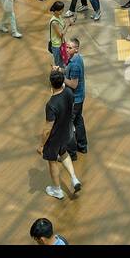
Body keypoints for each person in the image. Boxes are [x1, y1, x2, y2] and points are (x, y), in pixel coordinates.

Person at [39, 69, 82, 200]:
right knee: (64, 153)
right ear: (63, 81)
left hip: (55, 138)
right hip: (67, 132)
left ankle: (57, 190)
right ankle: (74, 178)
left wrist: (41, 145)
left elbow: (47, 128)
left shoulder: (51, 105)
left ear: (50, 84)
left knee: (52, 162)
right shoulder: (69, 93)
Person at [64, 38, 88, 154]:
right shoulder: (77, 58)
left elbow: (73, 84)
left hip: (75, 99)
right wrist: (62, 70)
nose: (67, 49)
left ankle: (72, 152)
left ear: (76, 49)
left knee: (68, 126)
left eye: (70, 48)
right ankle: (82, 145)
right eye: (67, 47)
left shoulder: (74, 65)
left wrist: (61, 77)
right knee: (78, 120)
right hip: (80, 97)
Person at [47, 0, 71, 66]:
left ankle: (62, 72)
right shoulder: (54, 22)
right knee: (58, 63)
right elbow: (61, 35)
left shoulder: (59, 16)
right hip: (56, 45)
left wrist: (67, 24)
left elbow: (63, 25)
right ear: (56, 11)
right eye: (61, 10)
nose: (62, 11)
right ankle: (59, 74)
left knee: (63, 60)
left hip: (61, 42)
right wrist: (68, 25)